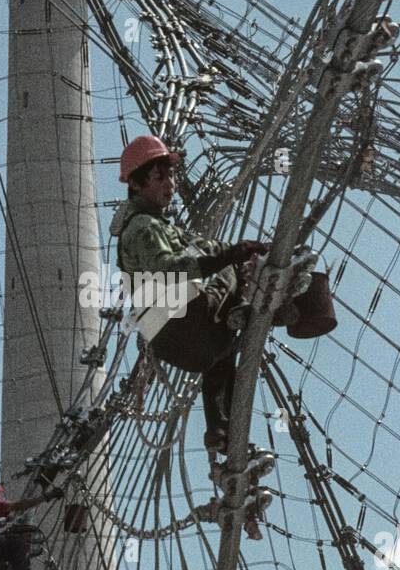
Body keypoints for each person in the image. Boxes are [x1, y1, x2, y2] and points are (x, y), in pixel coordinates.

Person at [110, 135, 324, 458]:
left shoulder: (160, 226)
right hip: (183, 322)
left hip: (180, 344)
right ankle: (262, 305)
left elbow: (208, 247)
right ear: (137, 185)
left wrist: (247, 249)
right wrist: (234, 257)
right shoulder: (143, 228)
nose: (170, 184)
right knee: (233, 271)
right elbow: (171, 268)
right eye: (160, 177)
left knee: (223, 355)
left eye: (170, 176)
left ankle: (220, 430)